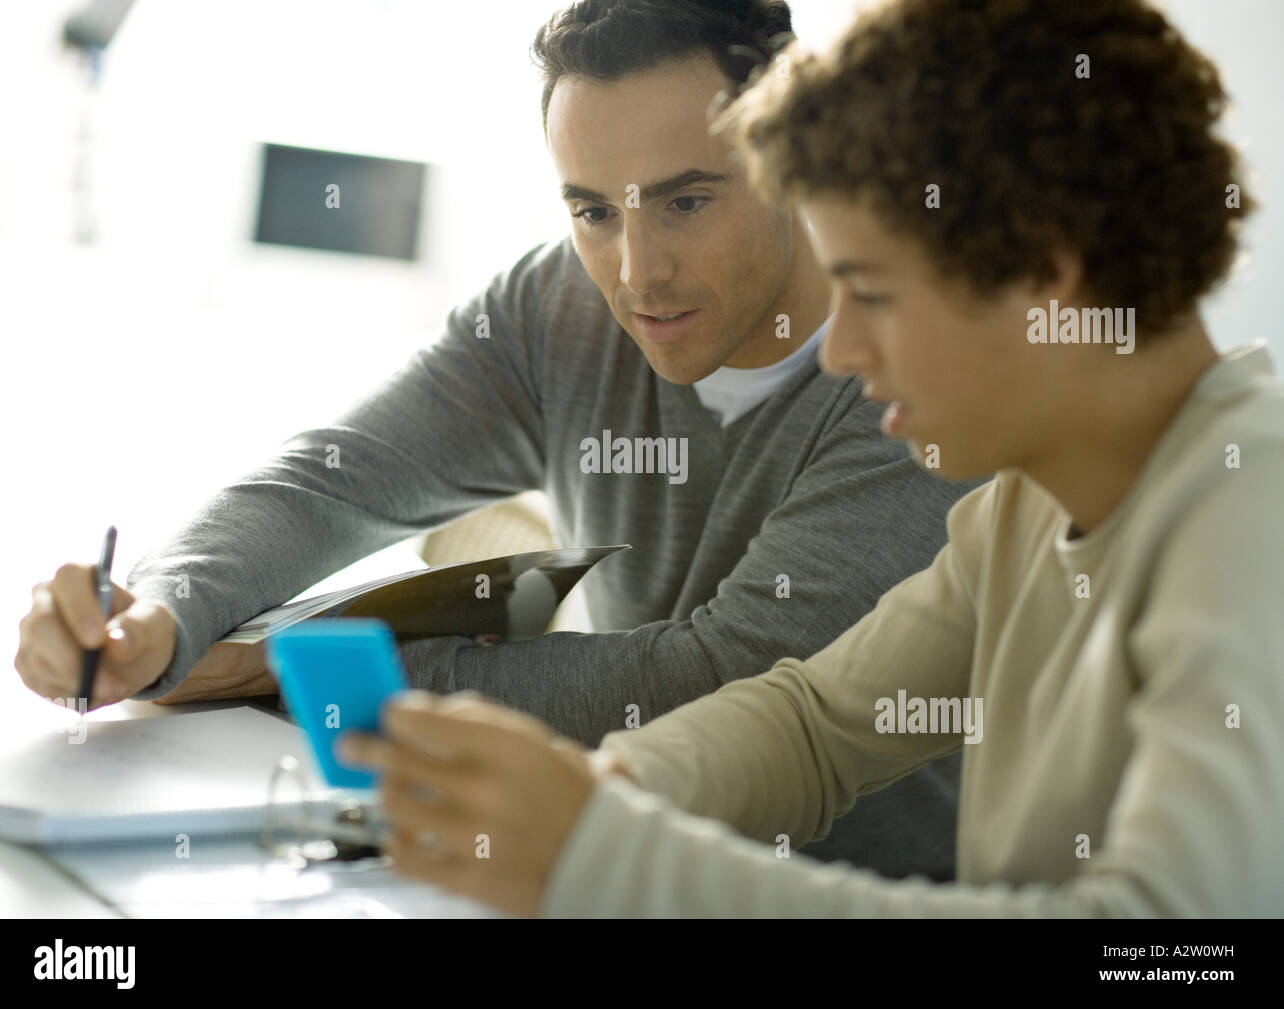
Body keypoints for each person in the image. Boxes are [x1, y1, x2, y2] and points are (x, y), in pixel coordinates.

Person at [334, 0, 1283, 917]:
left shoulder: (1253, 509)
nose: (839, 351)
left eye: (869, 292)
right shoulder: (1028, 506)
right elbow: (813, 726)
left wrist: (601, 859)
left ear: (1045, 270)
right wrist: (600, 793)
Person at [13, 1, 976, 880]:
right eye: (594, 210)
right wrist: (162, 617)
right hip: (594, 862)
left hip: (845, 892)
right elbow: (337, 478)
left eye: (687, 200)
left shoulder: (914, 372)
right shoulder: (557, 303)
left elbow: (720, 678)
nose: (637, 273)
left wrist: (308, 662)